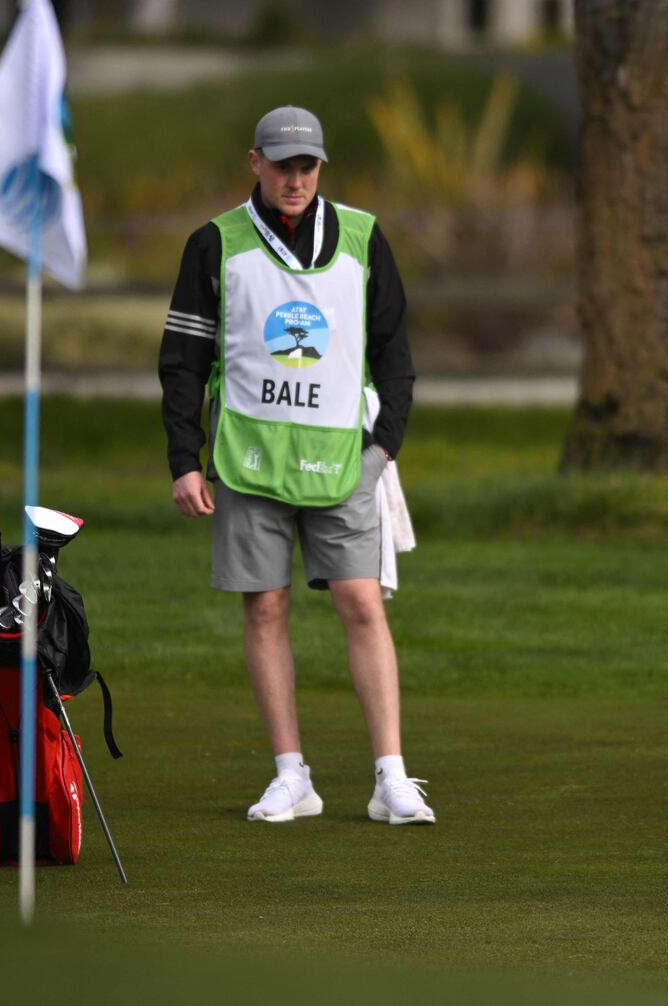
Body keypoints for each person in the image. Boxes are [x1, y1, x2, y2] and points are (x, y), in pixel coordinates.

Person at [159, 106, 434, 826]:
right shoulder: (214, 243)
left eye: (307, 166)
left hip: (344, 461)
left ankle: (391, 778)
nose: (296, 179)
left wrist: (384, 448)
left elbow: (395, 355)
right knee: (265, 606)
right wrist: (184, 459)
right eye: (282, 165)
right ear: (255, 162)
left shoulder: (363, 238)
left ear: (321, 167)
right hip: (248, 461)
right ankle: (292, 777)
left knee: (362, 605)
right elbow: (182, 363)